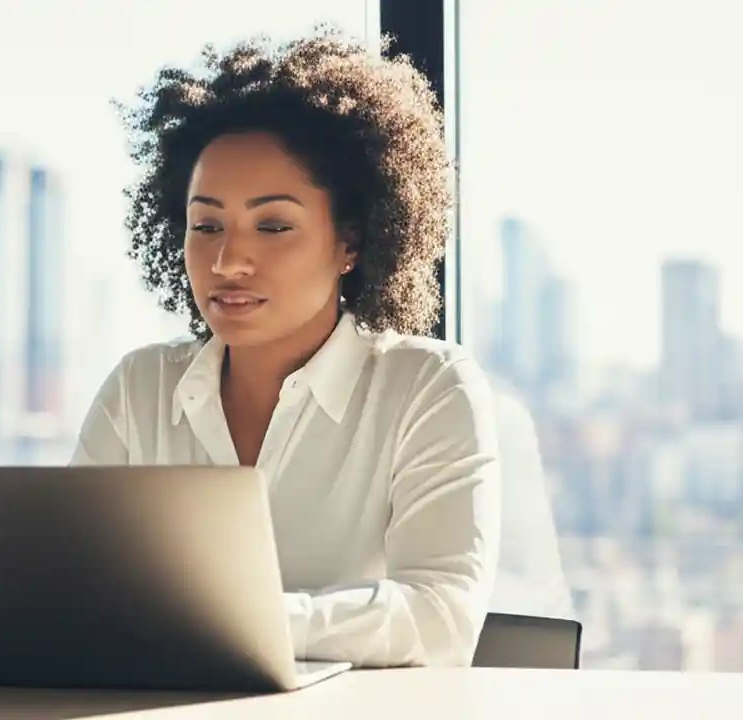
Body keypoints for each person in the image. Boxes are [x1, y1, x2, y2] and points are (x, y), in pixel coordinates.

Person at [71, 29, 500, 668]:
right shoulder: (140, 389)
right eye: (206, 225)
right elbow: (70, 593)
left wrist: (244, 619)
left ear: (350, 242)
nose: (228, 260)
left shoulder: (428, 386)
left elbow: (438, 617)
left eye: (273, 226)